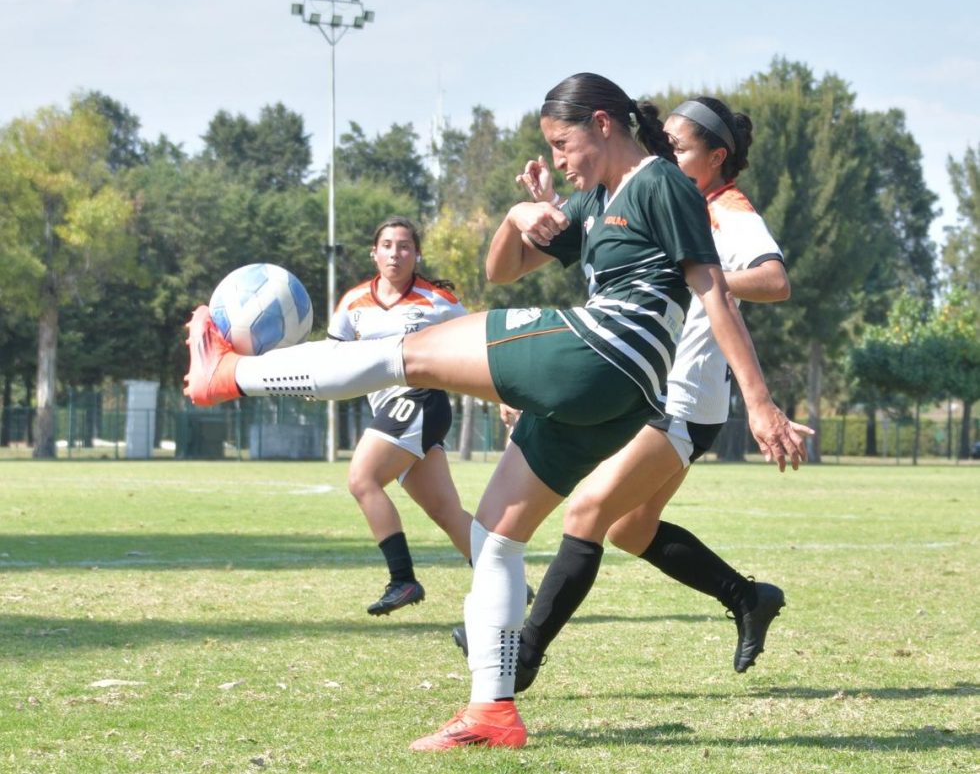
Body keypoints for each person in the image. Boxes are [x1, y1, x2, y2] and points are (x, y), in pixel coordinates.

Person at [184, 72, 807, 751]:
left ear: (603, 123)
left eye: (563, 143)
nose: (560, 160)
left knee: (406, 352)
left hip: (601, 356)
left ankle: (230, 374)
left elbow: (714, 292)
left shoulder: (663, 184)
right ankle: (493, 710)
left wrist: (761, 402)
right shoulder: (597, 199)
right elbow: (503, 271)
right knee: (497, 536)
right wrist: (519, 216)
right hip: (620, 402)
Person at [454, 96, 802, 691]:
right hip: (643, 388)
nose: (666, 151)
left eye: (682, 146)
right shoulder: (640, 192)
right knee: (630, 528)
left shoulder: (726, 208)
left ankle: (523, 653)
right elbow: (544, 262)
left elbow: (774, 280)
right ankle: (748, 597)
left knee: (587, 512)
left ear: (716, 159)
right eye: (663, 140)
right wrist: (544, 212)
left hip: (685, 397)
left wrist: (681, 269)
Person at [332, 216, 472, 616]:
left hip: (421, 400)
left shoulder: (437, 300)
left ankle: (403, 580)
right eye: (388, 245)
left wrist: (503, 395)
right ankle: (506, 577)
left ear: (417, 254)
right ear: (374, 253)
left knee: (362, 479)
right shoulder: (353, 302)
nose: (396, 253)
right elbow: (333, 356)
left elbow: (480, 342)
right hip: (393, 411)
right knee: (445, 511)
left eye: (405, 246)